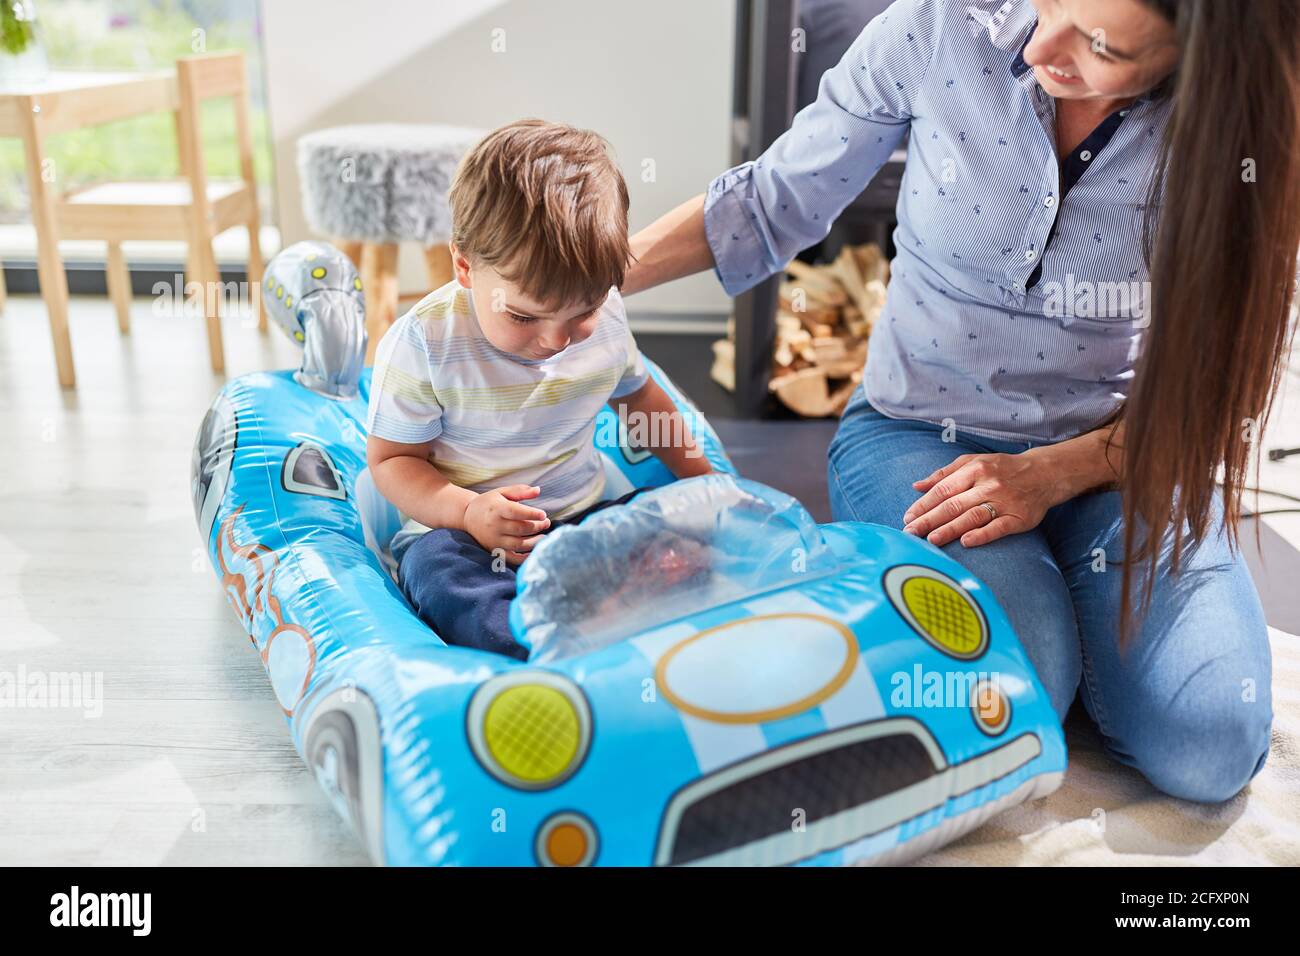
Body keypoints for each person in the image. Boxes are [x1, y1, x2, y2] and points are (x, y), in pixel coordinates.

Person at [622, 0, 1300, 802]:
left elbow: (1218, 398)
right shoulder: (943, 25)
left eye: (1101, 44)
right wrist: (586, 276)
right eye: (1052, 4)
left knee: (1210, 749)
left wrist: (1049, 478)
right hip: (918, 434)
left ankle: (1088, 644)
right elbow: (773, 199)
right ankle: (1068, 646)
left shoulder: (1240, 133)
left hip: (1126, 453)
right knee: (1015, 694)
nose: (1041, 45)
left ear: (1195, 57)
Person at [367, 119, 711, 660]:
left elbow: (643, 404)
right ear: (464, 266)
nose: (555, 340)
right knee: (438, 575)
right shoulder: (427, 342)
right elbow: (392, 461)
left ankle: (605, 613)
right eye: (524, 316)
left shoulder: (610, 318)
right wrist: (465, 512)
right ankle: (542, 646)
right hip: (469, 538)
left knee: (670, 527)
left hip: (584, 519)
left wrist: (708, 486)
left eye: (584, 312)